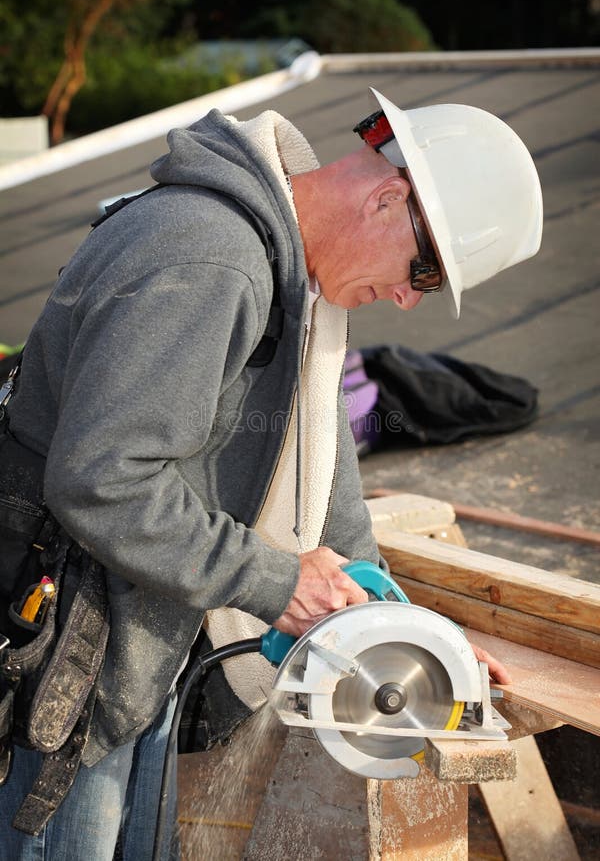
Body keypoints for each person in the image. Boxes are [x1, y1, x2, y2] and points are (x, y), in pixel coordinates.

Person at [0, 87, 542, 859]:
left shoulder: (291, 274)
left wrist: (408, 630)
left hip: (140, 638)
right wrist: (280, 582)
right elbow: (101, 479)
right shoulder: (209, 258)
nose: (406, 300)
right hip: (66, 662)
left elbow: (324, 472)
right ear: (389, 197)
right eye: (421, 271)